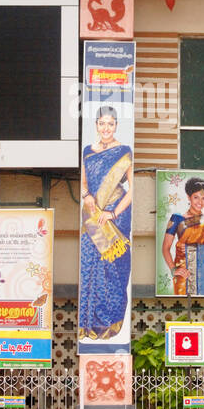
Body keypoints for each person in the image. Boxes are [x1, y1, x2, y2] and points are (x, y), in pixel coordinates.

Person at [78, 106, 133, 338]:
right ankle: (89, 325)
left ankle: (110, 323)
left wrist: (113, 213)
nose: (106, 128)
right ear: (96, 125)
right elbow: (82, 183)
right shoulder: (87, 152)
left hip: (113, 218)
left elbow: (132, 189)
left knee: (112, 270)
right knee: (89, 267)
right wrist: (86, 196)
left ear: (116, 126)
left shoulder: (124, 151)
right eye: (102, 123)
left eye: (111, 124)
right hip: (91, 215)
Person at [161, 176, 204, 296]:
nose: (200, 202)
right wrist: (174, 269)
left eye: (203, 198)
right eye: (196, 197)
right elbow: (165, 248)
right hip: (184, 270)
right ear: (189, 197)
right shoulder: (178, 219)